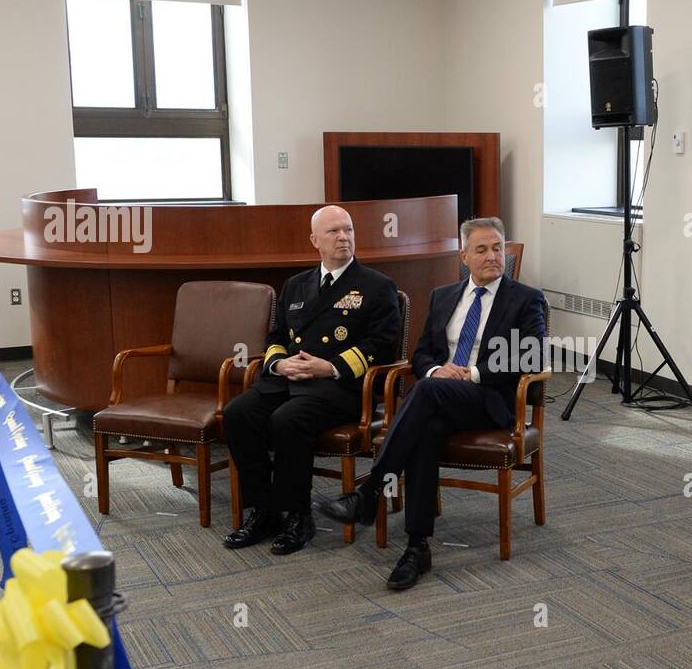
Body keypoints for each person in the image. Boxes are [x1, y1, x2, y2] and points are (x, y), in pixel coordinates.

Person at [319, 216, 548, 590]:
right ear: (463, 255)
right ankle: (416, 546)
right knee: (425, 427)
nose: (493, 257)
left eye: (498, 248)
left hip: (491, 401)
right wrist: (437, 369)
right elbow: (423, 354)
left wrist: (471, 373)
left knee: (425, 394)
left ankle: (371, 491)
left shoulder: (525, 299)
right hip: (442, 400)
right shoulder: (444, 296)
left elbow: (532, 355)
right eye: (482, 249)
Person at [222, 205, 399, 555]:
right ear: (314, 240)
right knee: (237, 413)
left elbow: (381, 346)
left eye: (348, 229)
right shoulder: (296, 285)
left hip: (339, 386)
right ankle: (264, 510)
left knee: (286, 420)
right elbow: (276, 335)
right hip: (289, 379)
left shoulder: (376, 286)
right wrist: (279, 364)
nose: (343, 237)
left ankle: (297, 515)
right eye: (333, 232)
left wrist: (328, 367)